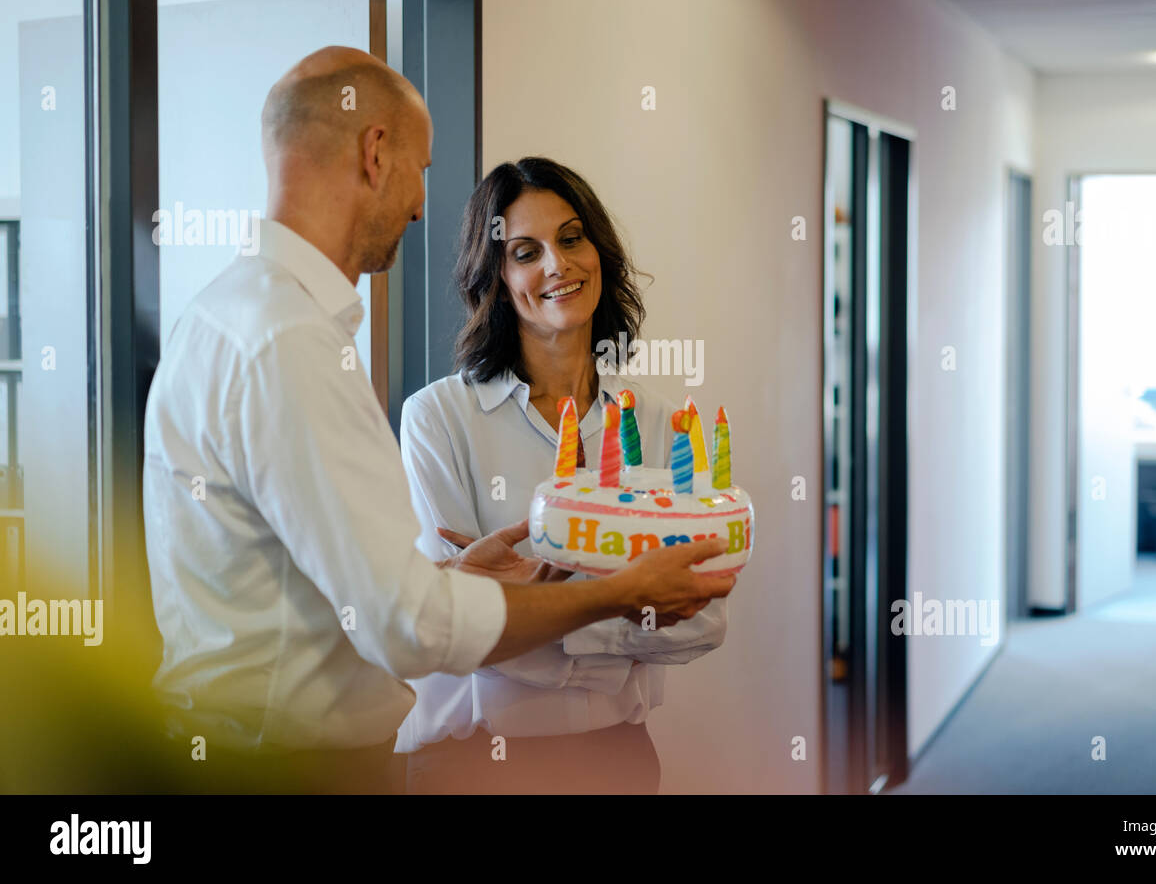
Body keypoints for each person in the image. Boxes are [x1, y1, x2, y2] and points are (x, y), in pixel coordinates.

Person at [141, 47, 735, 793]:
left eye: (573, 237)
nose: (422, 203)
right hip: (292, 765)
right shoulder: (289, 343)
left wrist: (451, 575)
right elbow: (411, 626)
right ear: (376, 150)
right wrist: (621, 594)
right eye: (422, 169)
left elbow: (358, 592)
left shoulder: (243, 318)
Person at [397, 157, 726, 794]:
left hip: (615, 761)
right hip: (470, 768)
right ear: (495, 273)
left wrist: (533, 610)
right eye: (526, 251)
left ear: (598, 249)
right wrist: (628, 601)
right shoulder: (438, 418)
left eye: (572, 238)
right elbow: (457, 630)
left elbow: (705, 622)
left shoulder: (659, 422)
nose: (557, 265)